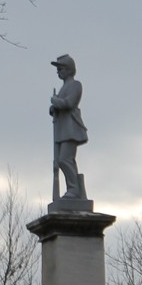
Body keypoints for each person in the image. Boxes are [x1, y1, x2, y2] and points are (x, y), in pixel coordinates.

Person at [49, 54, 88, 199]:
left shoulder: (75, 85)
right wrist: (53, 108)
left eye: (60, 68)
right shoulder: (64, 86)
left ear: (68, 69)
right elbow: (61, 105)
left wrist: (55, 101)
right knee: (61, 160)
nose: (58, 71)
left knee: (65, 159)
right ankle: (74, 189)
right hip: (62, 130)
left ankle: (74, 190)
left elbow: (69, 103)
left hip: (71, 129)